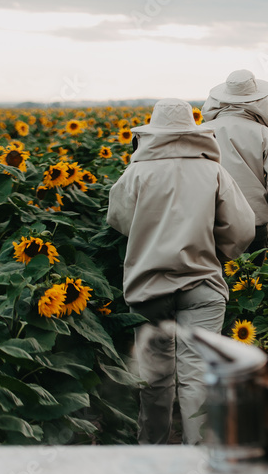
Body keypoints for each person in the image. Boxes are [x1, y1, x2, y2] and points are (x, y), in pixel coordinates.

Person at [106, 97, 255, 445]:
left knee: (154, 378)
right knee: (198, 377)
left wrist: (149, 236)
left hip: (148, 286)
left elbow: (118, 220)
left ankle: (153, 453)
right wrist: (218, 248)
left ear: (151, 132)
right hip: (202, 285)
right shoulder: (212, 170)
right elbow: (243, 227)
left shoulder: (137, 172)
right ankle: (199, 461)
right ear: (192, 131)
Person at [201, 69, 268, 259]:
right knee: (249, 285)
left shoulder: (199, 133)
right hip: (251, 228)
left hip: (206, 227)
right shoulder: (267, 136)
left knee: (212, 285)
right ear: (259, 101)